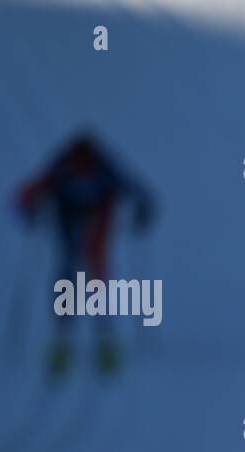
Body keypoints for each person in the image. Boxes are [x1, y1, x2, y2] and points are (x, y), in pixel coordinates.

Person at [16, 131, 156, 378]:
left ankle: (92, 340)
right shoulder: (67, 165)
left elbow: (136, 189)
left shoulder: (101, 166)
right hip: (70, 218)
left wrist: (144, 208)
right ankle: (76, 338)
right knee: (75, 272)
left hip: (97, 219)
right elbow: (32, 190)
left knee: (88, 274)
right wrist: (28, 208)